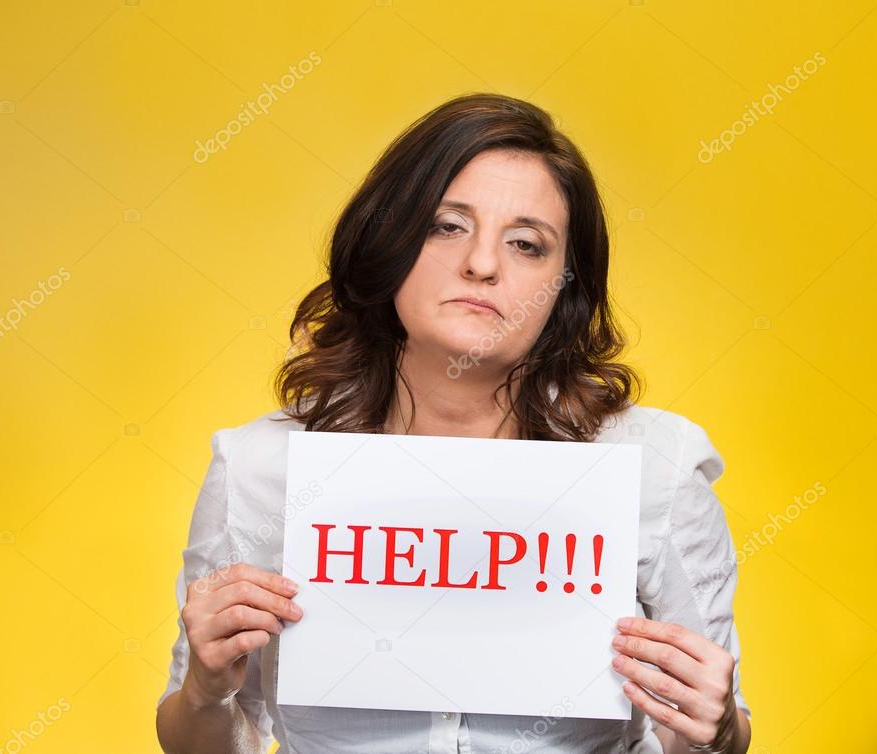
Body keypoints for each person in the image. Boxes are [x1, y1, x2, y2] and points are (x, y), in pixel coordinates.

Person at [156, 92, 752, 754]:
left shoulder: (655, 467)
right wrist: (205, 694)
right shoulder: (260, 466)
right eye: (446, 226)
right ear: (387, 237)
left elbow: (710, 734)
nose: (483, 264)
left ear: (563, 288)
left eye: (527, 244)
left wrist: (715, 728)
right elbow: (201, 738)